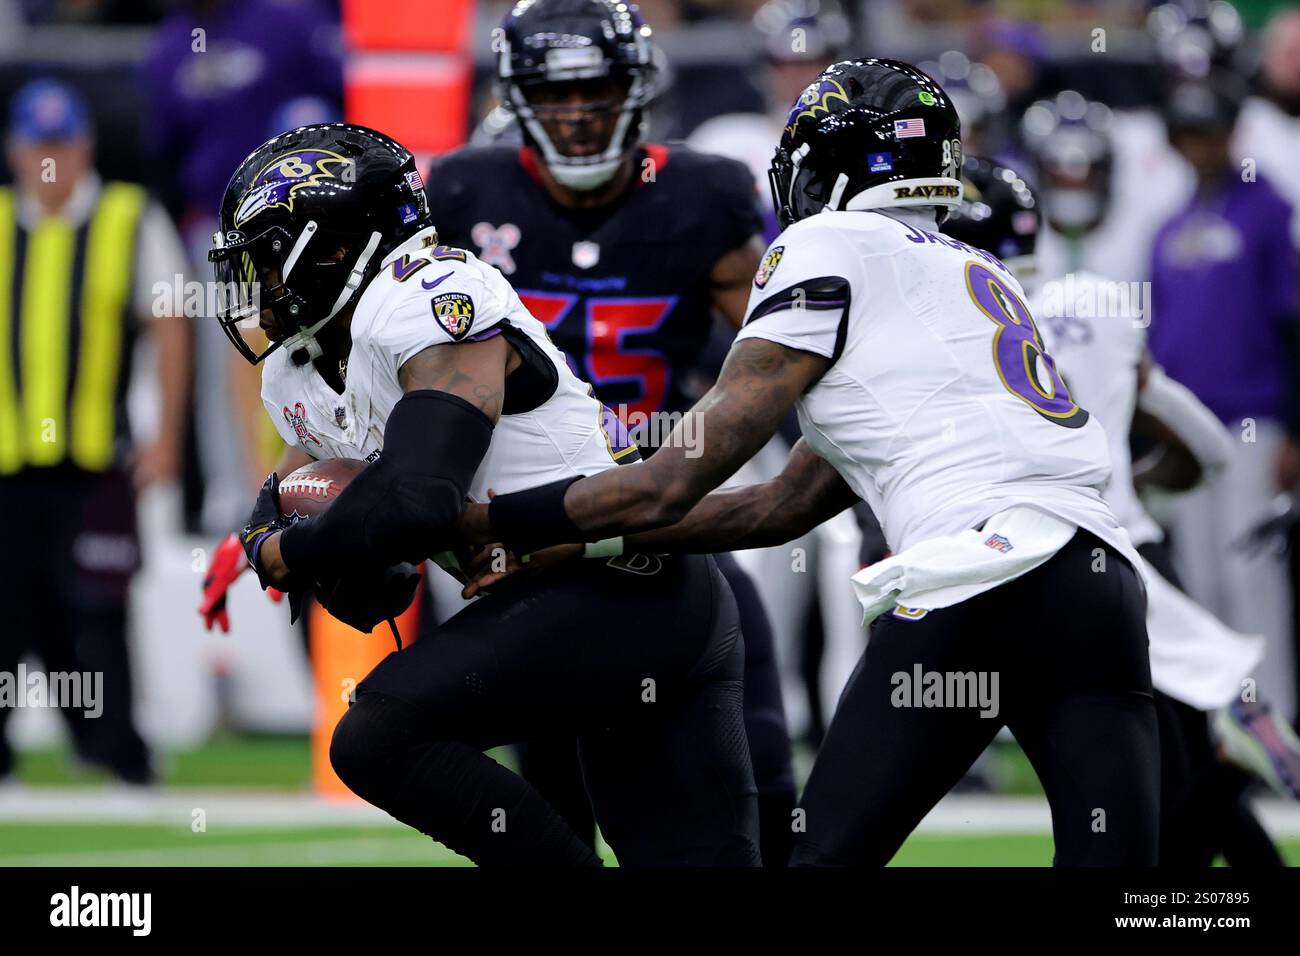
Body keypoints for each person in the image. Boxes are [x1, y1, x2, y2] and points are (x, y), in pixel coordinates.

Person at [460, 58, 1161, 866]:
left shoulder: (831, 241)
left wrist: (504, 520)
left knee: (821, 858)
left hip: (977, 577)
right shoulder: (974, 269)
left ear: (821, 168)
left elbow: (681, 470)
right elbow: (780, 506)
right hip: (1098, 581)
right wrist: (586, 541)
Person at [209, 121, 760, 866]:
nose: (258, 287)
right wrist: (287, 544)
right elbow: (282, 502)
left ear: (337, 246)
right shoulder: (300, 370)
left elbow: (418, 499)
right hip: (557, 615)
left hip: (636, 590)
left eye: (269, 260)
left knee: (381, 733)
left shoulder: (430, 296)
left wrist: (289, 553)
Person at [423, 0, 796, 863]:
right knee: (557, 779)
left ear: (639, 90)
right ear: (516, 98)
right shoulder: (461, 191)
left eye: (599, 91)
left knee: (762, 760)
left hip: (662, 508)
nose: (581, 115)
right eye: (557, 96)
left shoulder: (705, 192)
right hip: (520, 524)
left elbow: (783, 360)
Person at [946, 154, 1295, 866]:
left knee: (1136, 804)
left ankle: (1225, 769)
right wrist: (1135, 481)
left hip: (1038, 564)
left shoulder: (958, 322)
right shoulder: (1092, 304)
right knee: (1171, 787)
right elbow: (1204, 443)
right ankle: (1228, 765)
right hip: (1135, 552)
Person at [0, 78, 191, 784]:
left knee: (100, 606)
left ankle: (120, 755)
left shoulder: (126, 216)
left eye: (63, 144)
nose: (52, 160)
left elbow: (170, 330)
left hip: (96, 455)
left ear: (84, 146)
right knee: (9, 610)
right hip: (8, 458)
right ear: (16, 151)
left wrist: (166, 436)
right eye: (38, 145)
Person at [1148, 69, 1300, 724]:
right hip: (1188, 429)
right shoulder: (1168, 224)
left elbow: (1294, 325)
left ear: (1232, 132)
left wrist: (1295, 427)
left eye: (1209, 131)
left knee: (1252, 580)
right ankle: (1216, 728)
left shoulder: (1271, 212)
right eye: (1188, 134)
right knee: (1200, 584)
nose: (1199, 145)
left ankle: (1273, 721)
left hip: (1253, 421)